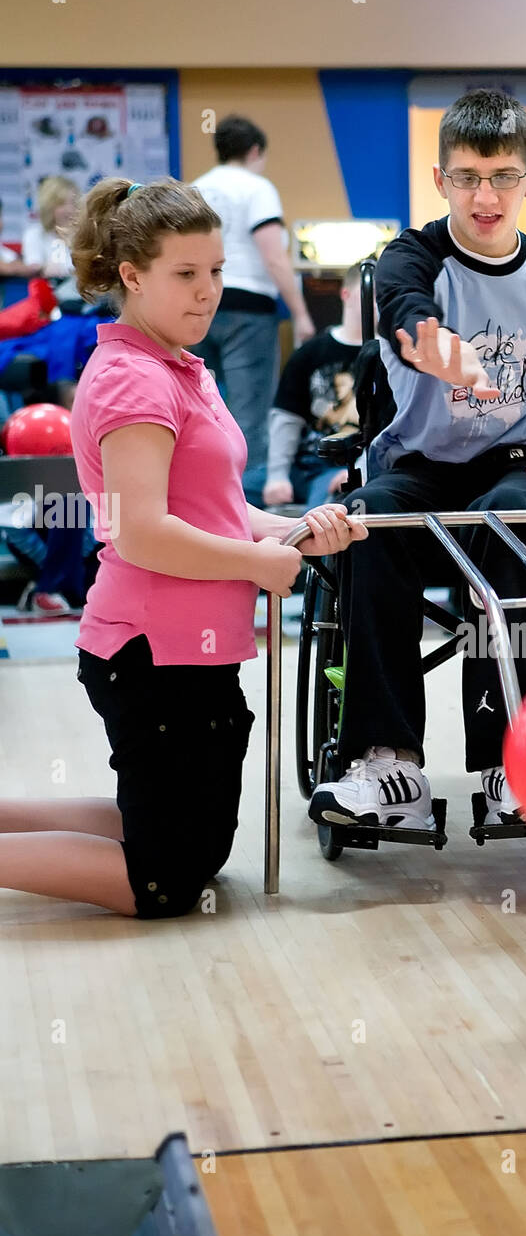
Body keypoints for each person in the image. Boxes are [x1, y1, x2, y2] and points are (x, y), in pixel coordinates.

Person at [0, 176, 363, 921]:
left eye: (217, 272)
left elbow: (220, 512)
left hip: (188, 648)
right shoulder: (135, 379)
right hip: (152, 651)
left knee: (187, 846)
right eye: (186, 275)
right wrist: (257, 561)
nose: (208, 293)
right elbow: (141, 530)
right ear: (131, 276)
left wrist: (294, 530)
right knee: (167, 877)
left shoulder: (180, 366)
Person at [308, 90, 526, 833]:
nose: (486, 195)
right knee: (367, 522)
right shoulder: (406, 260)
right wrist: (439, 349)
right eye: (468, 176)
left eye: (503, 176)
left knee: (507, 520)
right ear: (441, 179)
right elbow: (405, 310)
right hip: (419, 466)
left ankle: (512, 763)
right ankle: (390, 767)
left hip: (513, 468)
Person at [192, 116, 315, 507]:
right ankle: (248, 517)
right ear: (256, 151)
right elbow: (274, 256)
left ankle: (202, 503)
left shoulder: (195, 188)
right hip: (249, 313)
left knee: (200, 411)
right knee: (251, 419)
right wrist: (301, 313)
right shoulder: (258, 188)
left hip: (199, 307)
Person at [262, 262, 366, 509]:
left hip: (349, 466)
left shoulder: (389, 356)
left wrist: (364, 469)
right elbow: (287, 417)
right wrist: (276, 476)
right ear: (346, 295)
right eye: (370, 294)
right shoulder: (310, 354)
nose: (378, 303)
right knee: (234, 489)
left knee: (323, 508)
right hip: (305, 463)